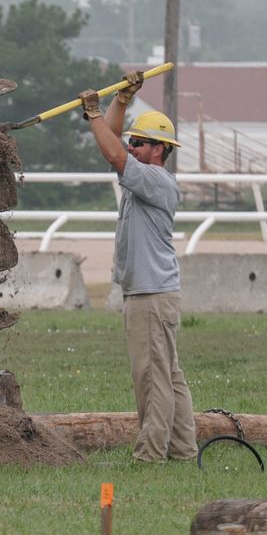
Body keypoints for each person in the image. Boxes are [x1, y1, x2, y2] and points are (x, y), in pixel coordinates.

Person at [79, 78, 197, 464]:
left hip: (150, 295)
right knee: (169, 377)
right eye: (132, 141)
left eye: (140, 143)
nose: (132, 147)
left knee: (152, 378)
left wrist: (93, 114)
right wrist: (120, 101)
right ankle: (182, 449)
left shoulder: (154, 179)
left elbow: (114, 153)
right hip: (153, 292)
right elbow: (113, 146)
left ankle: (150, 454)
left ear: (159, 149)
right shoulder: (141, 177)